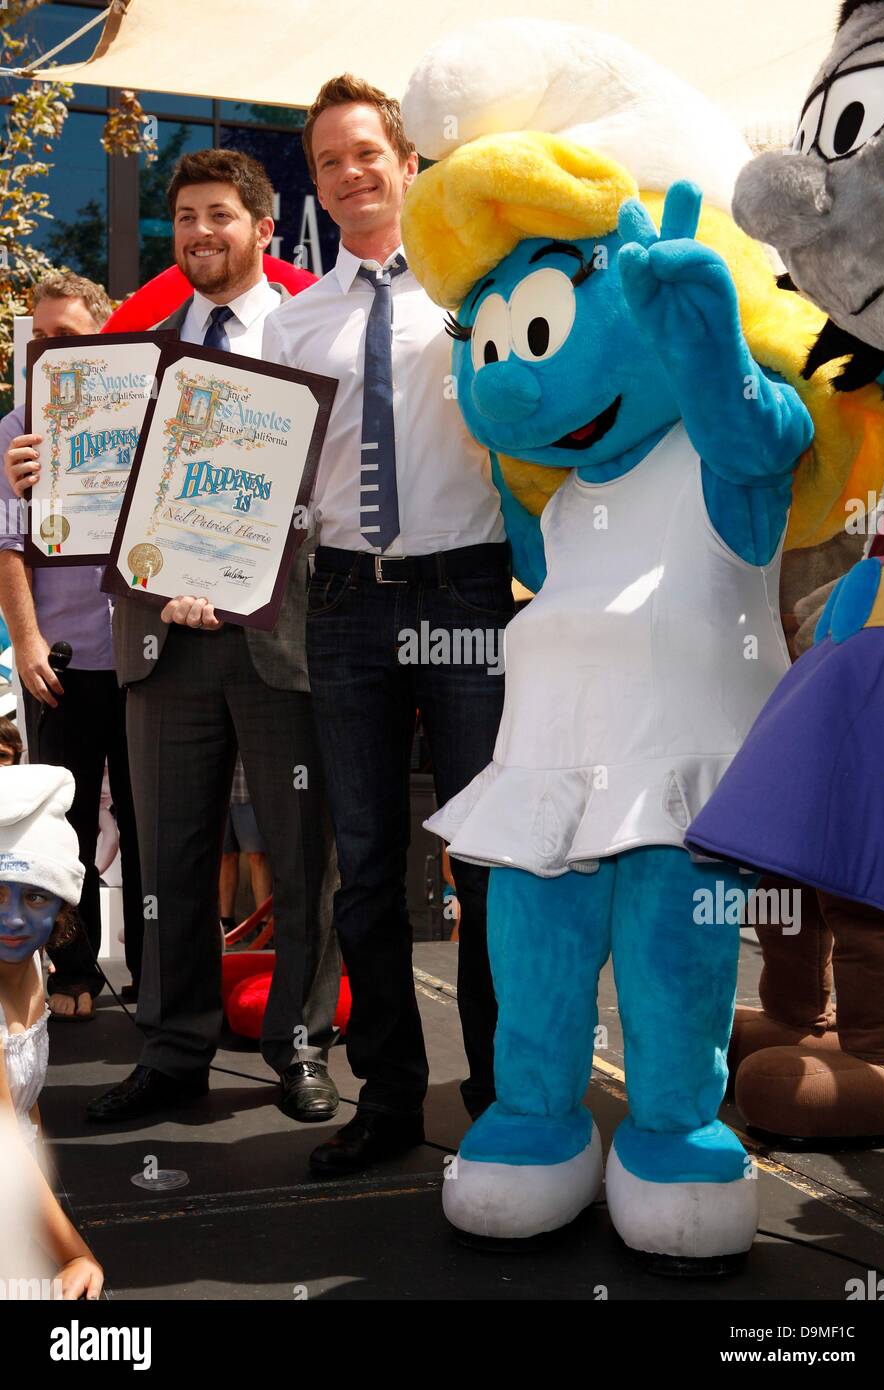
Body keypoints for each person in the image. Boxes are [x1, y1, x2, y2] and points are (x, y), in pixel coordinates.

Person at [263, 76, 512, 1176]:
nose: (352, 172)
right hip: (345, 603)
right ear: (314, 184)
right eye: (328, 161)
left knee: (489, 859)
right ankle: (390, 1099)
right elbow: (253, 482)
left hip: (468, 591)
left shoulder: (485, 291)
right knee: (362, 861)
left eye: (368, 152)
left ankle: (508, 1093)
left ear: (408, 164)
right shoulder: (292, 321)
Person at [84, 148, 340, 1126]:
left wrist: (232, 582)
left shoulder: (309, 336)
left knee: (298, 849)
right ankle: (172, 1048)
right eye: (184, 216)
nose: (198, 232)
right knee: (172, 854)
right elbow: (99, 487)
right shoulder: (135, 347)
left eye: (219, 215)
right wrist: (42, 472)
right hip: (160, 638)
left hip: (279, 632)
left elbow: (324, 487)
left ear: (262, 228)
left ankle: (301, 1047)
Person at [1, 272, 144, 1020]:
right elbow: (6, 547)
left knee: (159, 823)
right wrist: (26, 640)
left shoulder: (155, 415)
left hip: (150, 659)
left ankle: (160, 978)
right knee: (68, 824)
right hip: (60, 664)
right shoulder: (16, 427)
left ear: (108, 336)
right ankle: (74, 971)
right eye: (45, 336)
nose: (57, 347)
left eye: (73, 336)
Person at [0, 763, 104, 1298]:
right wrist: (75, 1253)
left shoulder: (36, 965)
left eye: (34, 896)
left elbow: (23, 1108)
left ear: (62, 904)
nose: (13, 918)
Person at [219, 755, 272, 936]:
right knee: (225, 855)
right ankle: (226, 920)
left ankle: (263, 924)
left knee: (257, 855)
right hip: (219, 790)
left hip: (248, 788)